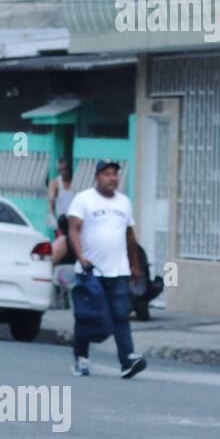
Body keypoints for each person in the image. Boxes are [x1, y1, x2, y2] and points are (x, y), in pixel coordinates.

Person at [66, 161, 147, 379]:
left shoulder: (124, 202)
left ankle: (127, 359)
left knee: (121, 315)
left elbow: (129, 234)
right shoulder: (83, 199)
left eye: (115, 174)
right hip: (90, 270)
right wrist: (81, 256)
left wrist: (135, 264)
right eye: (107, 174)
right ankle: (81, 357)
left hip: (118, 271)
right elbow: (73, 230)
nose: (112, 178)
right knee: (89, 316)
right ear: (97, 177)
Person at [48, 157, 76, 230]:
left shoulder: (74, 182)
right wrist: (52, 216)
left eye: (65, 169)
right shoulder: (55, 183)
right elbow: (51, 201)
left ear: (69, 169)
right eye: (61, 170)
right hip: (61, 222)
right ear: (58, 171)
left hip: (73, 220)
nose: (64, 172)